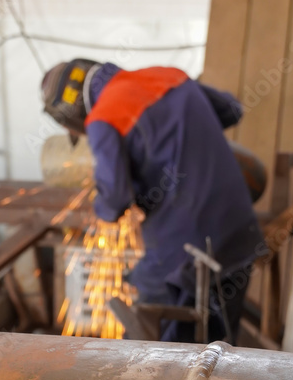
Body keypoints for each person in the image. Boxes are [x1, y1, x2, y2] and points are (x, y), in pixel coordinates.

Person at [41, 59, 265, 343]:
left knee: (153, 342)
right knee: (221, 349)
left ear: (72, 115)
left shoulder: (104, 118)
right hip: (240, 231)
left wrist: (103, 205)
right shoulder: (167, 76)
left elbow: (114, 201)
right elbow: (231, 111)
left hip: (185, 246)